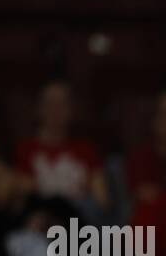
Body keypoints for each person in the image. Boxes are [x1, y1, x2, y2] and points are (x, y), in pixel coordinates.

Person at [14, 79, 110, 214]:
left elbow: (102, 201)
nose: (56, 110)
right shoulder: (25, 150)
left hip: (79, 219)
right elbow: (20, 196)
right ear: (39, 109)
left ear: (71, 110)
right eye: (50, 103)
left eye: (62, 104)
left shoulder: (86, 149)